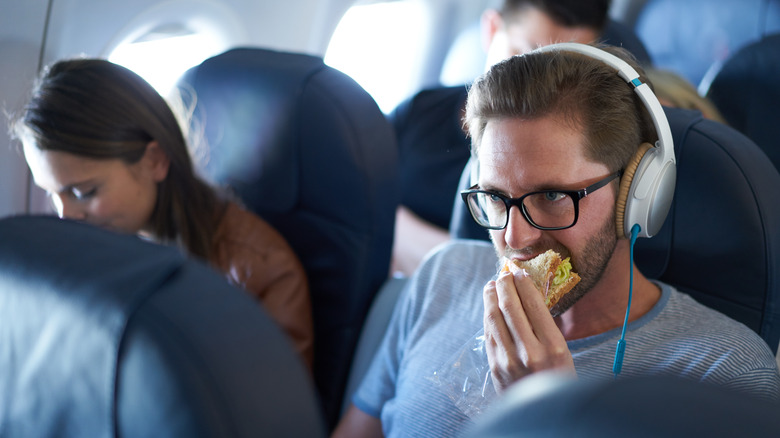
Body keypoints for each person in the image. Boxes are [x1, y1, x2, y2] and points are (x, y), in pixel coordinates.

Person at [333, 44, 780, 437]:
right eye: (493, 196)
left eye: (551, 195)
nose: (514, 237)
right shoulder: (441, 275)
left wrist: (552, 411)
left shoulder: (726, 371)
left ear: (635, 194)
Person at [12, 58, 314, 370]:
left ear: (155, 160)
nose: (65, 216)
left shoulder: (262, 272)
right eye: (52, 193)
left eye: (83, 192)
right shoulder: (93, 247)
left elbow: (273, 410)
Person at [391, 0, 649, 277]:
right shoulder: (417, 112)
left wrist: (398, 230)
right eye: (526, 57)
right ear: (491, 30)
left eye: (568, 70)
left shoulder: (590, 155)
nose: (539, 84)